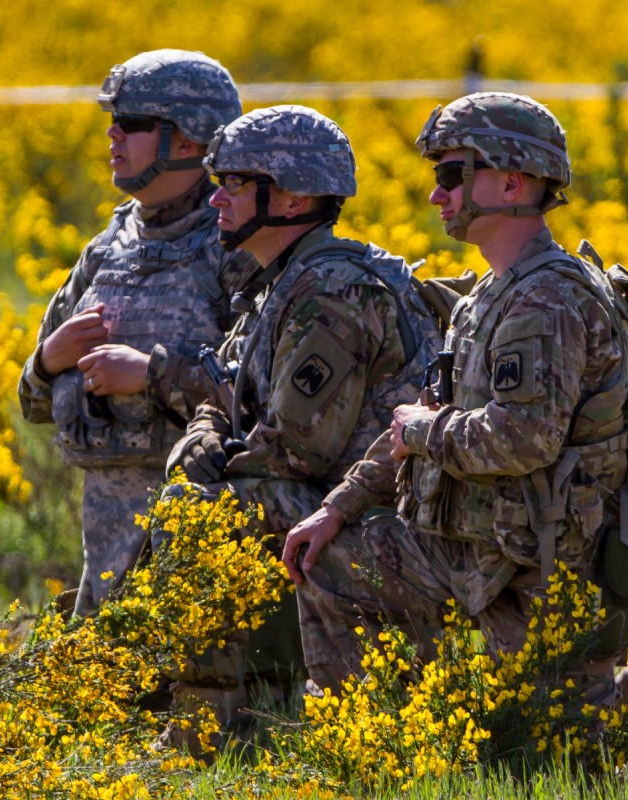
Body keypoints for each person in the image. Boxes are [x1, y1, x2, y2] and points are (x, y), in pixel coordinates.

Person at [281, 91, 628, 787]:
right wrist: (338, 507)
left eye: (451, 175)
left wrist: (425, 430)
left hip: (543, 576)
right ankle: (382, 753)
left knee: (556, 775)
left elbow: (522, 438)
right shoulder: (489, 295)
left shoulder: (549, 300)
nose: (437, 195)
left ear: (512, 183)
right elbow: (419, 419)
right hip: (474, 555)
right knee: (331, 560)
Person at [147, 104, 442, 748]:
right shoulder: (280, 280)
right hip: (333, 501)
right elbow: (227, 393)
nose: (216, 198)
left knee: (200, 512)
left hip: (375, 514)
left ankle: (206, 729)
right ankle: (250, 699)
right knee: (200, 491)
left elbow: (297, 453)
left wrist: (215, 466)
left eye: (235, 183)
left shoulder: (329, 292)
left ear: (293, 197)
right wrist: (201, 437)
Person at [17, 49, 253, 618]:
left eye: (134, 122)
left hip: (204, 552)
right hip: (102, 560)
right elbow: (32, 401)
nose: (113, 134)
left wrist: (150, 375)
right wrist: (49, 360)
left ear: (190, 140)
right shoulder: (108, 248)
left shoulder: (238, 248)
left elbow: (267, 398)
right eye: (113, 120)